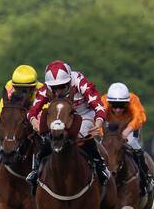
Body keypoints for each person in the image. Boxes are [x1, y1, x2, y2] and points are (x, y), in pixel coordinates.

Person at [25, 60, 110, 190]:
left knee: (81, 133)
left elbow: (99, 106)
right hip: (61, 115)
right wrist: (34, 122)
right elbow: (32, 111)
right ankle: (36, 169)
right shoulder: (45, 89)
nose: (58, 91)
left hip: (83, 114)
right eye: (54, 88)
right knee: (48, 134)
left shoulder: (80, 82)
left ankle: (100, 165)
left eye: (62, 86)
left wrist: (98, 123)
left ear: (70, 81)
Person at [0, 64, 43, 180]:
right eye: (18, 88)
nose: (21, 92)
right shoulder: (9, 86)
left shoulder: (42, 90)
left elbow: (43, 119)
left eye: (25, 89)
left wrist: (31, 122)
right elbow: (0, 115)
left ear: (33, 87)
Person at [101, 82, 153, 195]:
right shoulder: (104, 100)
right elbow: (98, 117)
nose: (118, 109)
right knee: (101, 147)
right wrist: (103, 134)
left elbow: (140, 117)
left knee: (135, 146)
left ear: (127, 103)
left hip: (128, 127)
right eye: (114, 106)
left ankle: (145, 179)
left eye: (121, 106)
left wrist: (127, 130)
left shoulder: (133, 99)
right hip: (110, 128)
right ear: (109, 102)